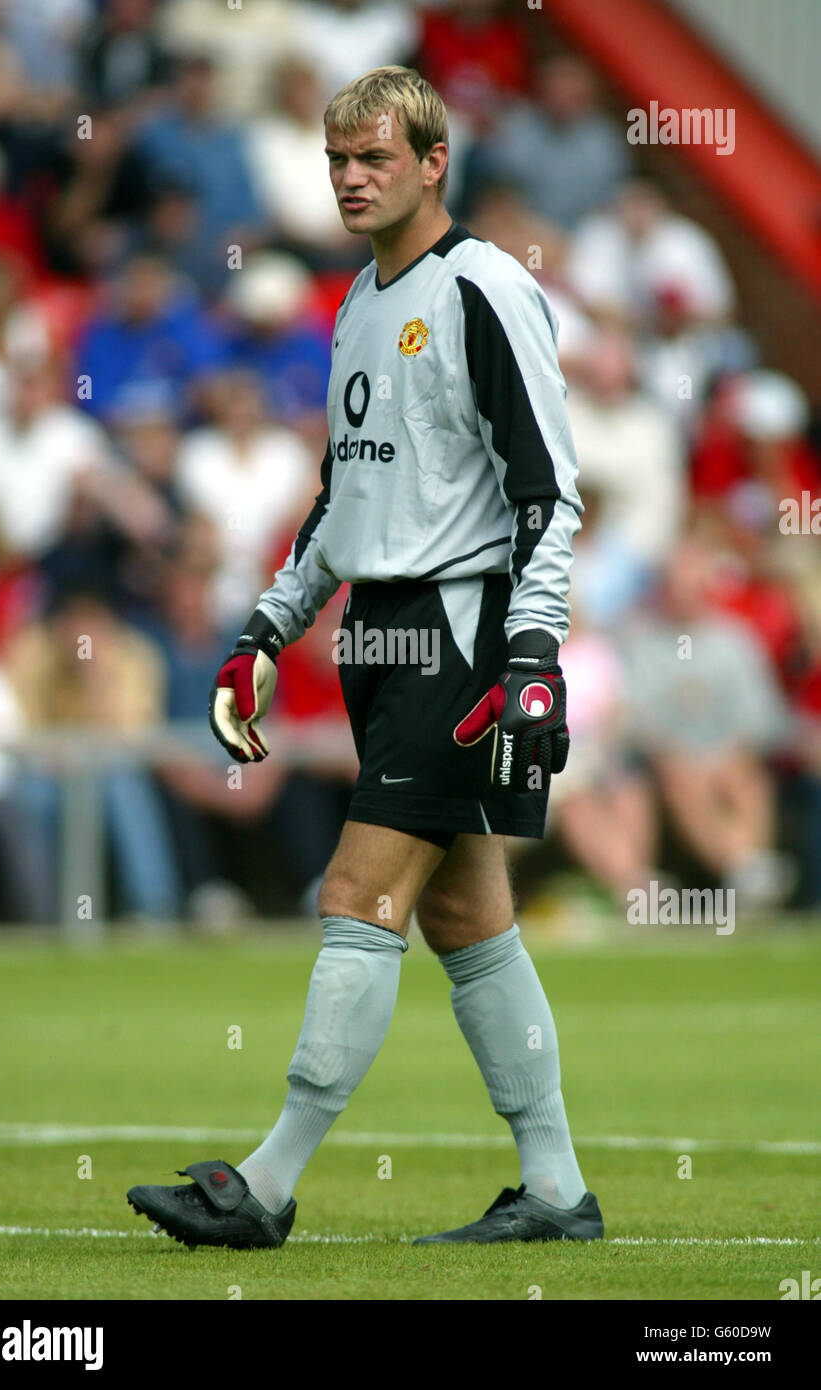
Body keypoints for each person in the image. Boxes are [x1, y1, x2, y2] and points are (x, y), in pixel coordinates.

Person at [127, 65, 600, 1250]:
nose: (349, 178)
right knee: (467, 918)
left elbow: (549, 490)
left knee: (353, 897)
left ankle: (266, 1184)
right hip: (375, 636)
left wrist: (531, 647)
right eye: (338, 161)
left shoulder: (483, 286)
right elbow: (338, 506)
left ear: (434, 162)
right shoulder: (351, 305)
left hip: (455, 632)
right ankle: (552, 1190)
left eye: (374, 158)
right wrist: (265, 628)